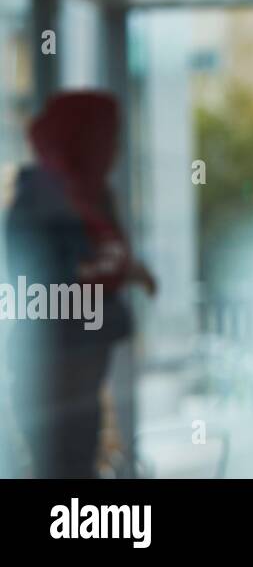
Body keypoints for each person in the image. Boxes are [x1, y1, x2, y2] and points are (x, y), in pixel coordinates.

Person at [4, 91, 156, 478]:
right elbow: (58, 287)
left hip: (80, 380)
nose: (117, 149)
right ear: (84, 139)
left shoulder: (88, 196)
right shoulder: (43, 200)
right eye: (108, 137)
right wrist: (120, 271)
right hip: (55, 383)